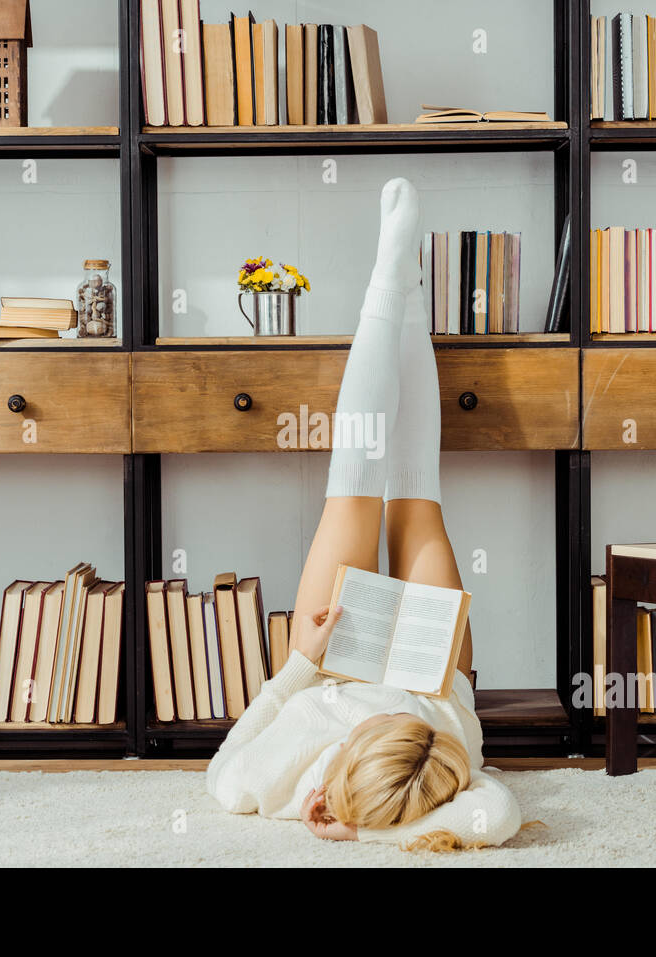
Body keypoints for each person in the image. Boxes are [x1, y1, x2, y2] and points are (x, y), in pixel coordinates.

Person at [205, 178, 522, 850]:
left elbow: (221, 774)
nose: (370, 715)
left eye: (357, 733)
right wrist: (379, 827)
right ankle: (403, 286)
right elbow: (497, 814)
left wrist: (300, 669)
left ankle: (391, 278)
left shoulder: (276, 781)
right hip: (434, 679)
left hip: (326, 667)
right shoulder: (442, 774)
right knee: (415, 493)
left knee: (354, 484)